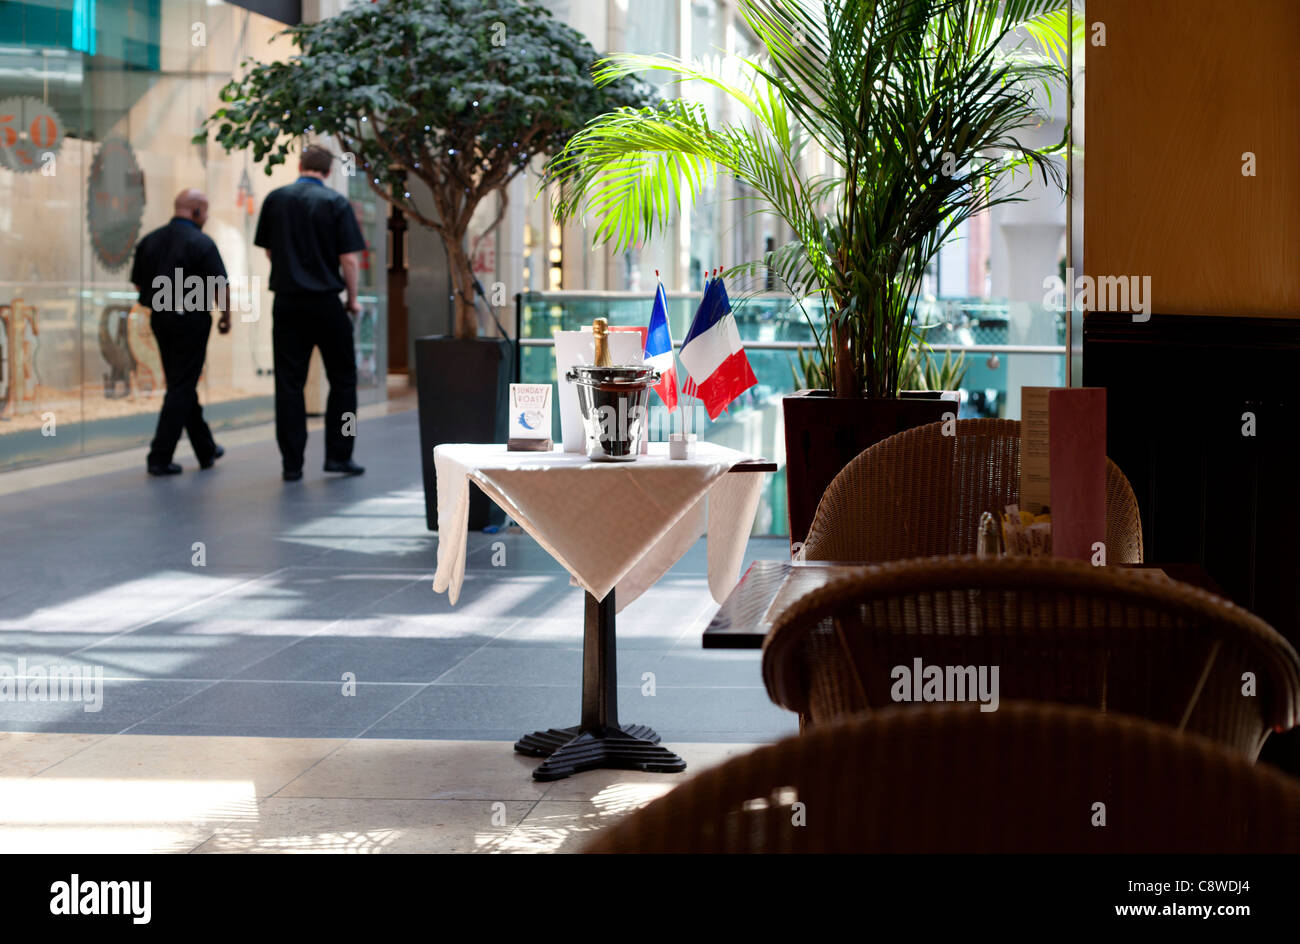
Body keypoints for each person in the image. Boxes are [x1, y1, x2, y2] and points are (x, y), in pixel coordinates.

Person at [254, 145, 367, 481]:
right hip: (326, 303)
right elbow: (348, 259)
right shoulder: (335, 203)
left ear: (300, 165)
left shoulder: (275, 199)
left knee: (289, 383)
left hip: (287, 302)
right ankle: (339, 454)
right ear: (329, 172)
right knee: (344, 381)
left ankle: (292, 463)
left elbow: (271, 251)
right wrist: (353, 299)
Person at [130, 189, 230, 476]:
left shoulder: (150, 241)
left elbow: (139, 285)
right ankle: (159, 456)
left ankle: (205, 448)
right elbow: (219, 285)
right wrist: (226, 316)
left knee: (180, 382)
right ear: (196, 209)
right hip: (192, 320)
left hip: (160, 319)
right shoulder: (201, 243)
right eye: (206, 210)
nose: (207, 216)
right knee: (181, 386)